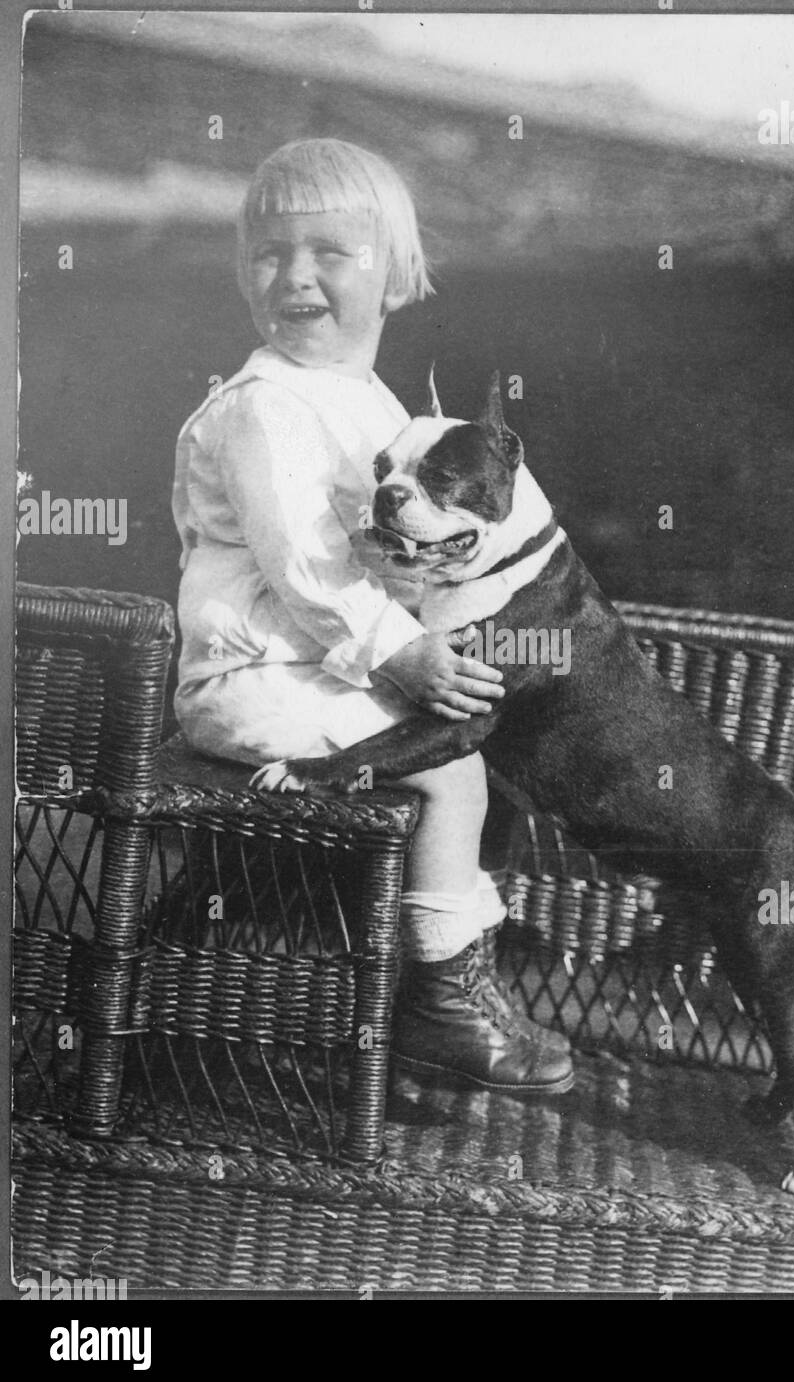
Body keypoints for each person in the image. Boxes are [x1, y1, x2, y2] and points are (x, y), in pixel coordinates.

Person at [172, 138, 571, 1093]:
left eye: (329, 253)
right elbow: (308, 570)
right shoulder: (268, 405)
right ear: (243, 275)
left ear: (392, 276)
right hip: (252, 681)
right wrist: (405, 657)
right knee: (452, 766)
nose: (295, 276)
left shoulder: (365, 401)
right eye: (269, 255)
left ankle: (407, 989)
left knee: (487, 741)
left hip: (315, 669)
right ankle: (438, 999)